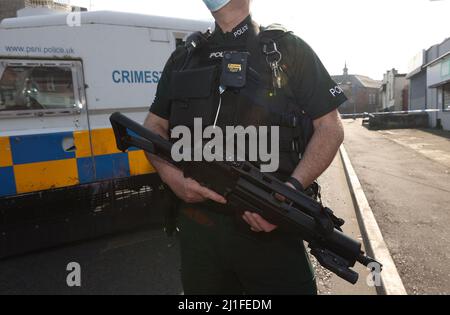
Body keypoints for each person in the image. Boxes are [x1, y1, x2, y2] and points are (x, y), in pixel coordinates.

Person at [144, 0, 347, 295]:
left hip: (270, 227)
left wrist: (286, 194)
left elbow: (330, 128)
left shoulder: (287, 50)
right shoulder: (183, 58)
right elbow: (152, 127)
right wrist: (172, 178)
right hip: (198, 229)